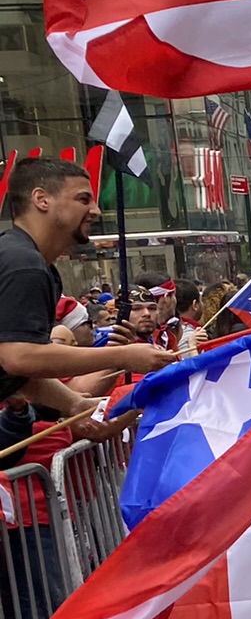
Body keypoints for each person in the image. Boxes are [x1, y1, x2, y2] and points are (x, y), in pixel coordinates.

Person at [0, 159, 172, 425]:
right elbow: (19, 357)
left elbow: (19, 372)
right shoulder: (24, 264)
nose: (96, 211)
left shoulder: (34, 265)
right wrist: (125, 355)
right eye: (83, 199)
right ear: (41, 199)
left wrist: (75, 405)